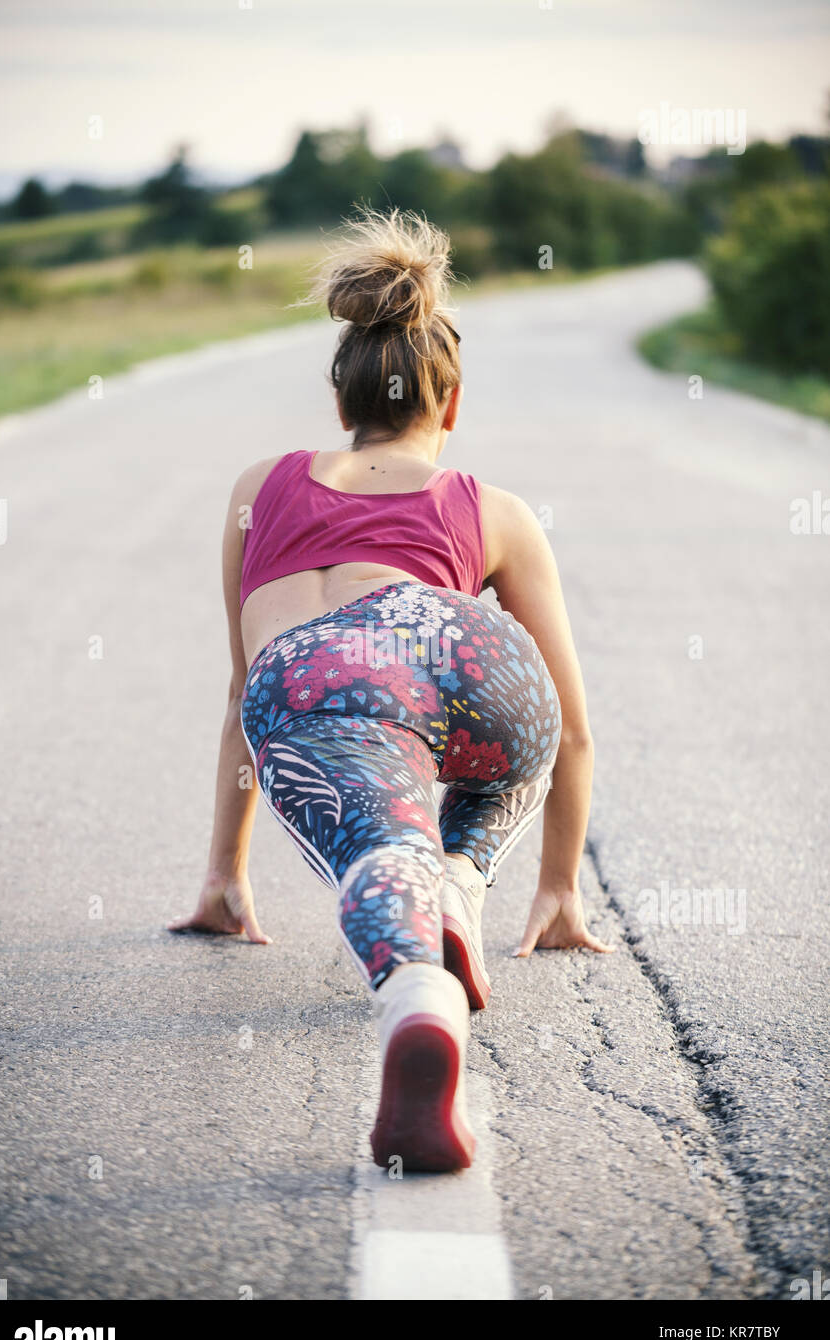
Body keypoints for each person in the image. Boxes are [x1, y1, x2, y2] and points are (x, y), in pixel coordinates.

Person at [170, 208, 612, 1172]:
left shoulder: (261, 483)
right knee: (494, 768)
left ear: (341, 406)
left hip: (314, 678)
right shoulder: (493, 510)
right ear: (451, 408)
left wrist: (223, 876)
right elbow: (569, 729)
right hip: (458, 649)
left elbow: (245, 691)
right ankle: (459, 883)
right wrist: (560, 885)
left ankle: (419, 1000)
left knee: (380, 844)